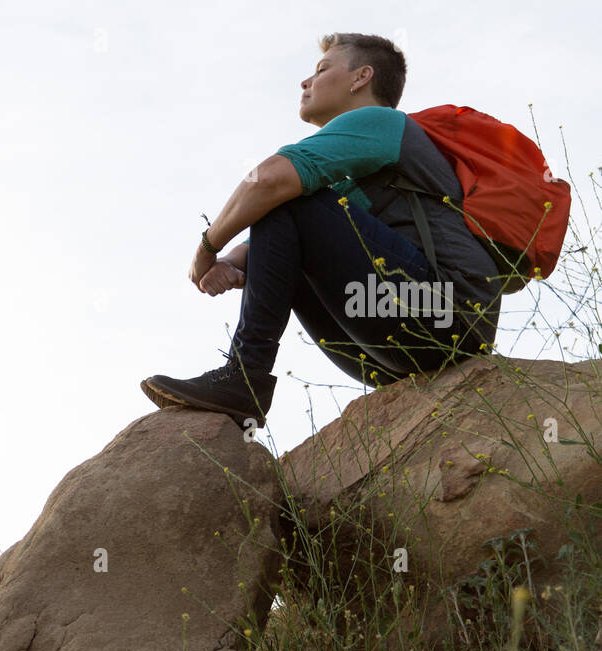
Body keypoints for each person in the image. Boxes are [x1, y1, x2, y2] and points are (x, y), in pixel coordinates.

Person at [142, 32, 502, 429]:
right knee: (286, 200)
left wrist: (207, 248)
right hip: (401, 345)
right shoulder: (357, 164)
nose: (305, 82)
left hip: (448, 313)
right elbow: (282, 220)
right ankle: (243, 379)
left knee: (284, 195)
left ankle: (244, 377)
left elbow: (267, 182)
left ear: (361, 77)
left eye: (322, 69)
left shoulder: (382, 123)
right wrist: (228, 262)